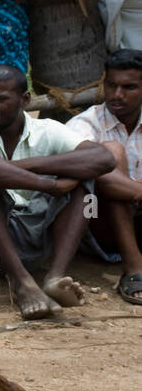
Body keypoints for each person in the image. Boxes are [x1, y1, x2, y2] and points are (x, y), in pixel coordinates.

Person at [0, 65, 115, 319]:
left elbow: (103, 159)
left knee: (86, 182)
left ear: (25, 100)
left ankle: (55, 276)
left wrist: (12, 169)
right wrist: (48, 184)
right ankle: (22, 282)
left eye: (1, 99)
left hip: (42, 234)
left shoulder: (47, 129)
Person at [67, 49, 142, 304]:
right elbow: (85, 171)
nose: (117, 95)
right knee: (109, 154)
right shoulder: (87, 123)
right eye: (111, 85)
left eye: (128, 87)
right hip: (95, 222)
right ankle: (134, 268)